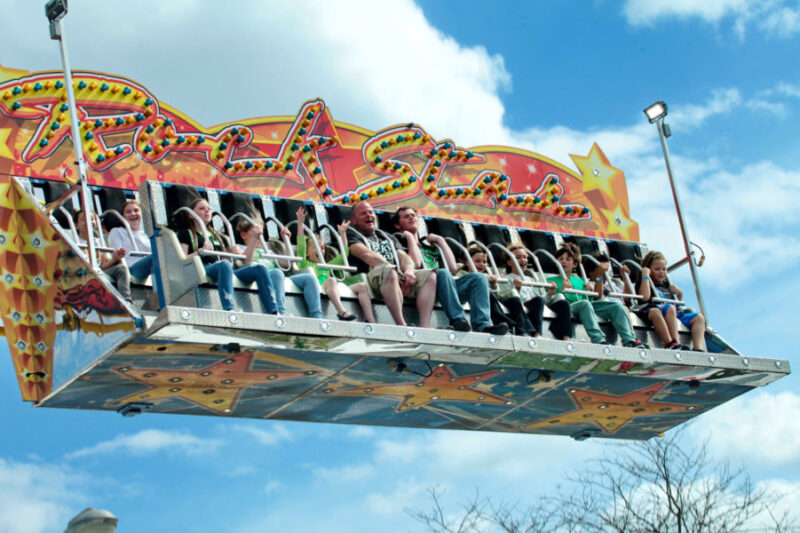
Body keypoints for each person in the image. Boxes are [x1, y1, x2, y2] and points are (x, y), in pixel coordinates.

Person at [391, 206, 508, 335]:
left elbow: (452, 268)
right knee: (442, 272)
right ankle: (458, 320)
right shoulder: (399, 241)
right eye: (406, 216)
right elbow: (416, 264)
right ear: (397, 225)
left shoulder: (429, 245)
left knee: (479, 278)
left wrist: (441, 241)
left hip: (445, 287)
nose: (411, 218)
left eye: (413, 215)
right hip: (423, 287)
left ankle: (483, 325)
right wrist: (410, 238)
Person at [345, 200, 436, 327]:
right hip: (372, 276)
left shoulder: (387, 236)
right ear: (353, 220)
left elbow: (404, 257)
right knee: (389, 271)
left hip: (396, 277)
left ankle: (425, 326)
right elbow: (365, 254)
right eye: (363, 213)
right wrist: (396, 272)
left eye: (371, 212)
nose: (369, 215)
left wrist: (408, 271)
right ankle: (401, 324)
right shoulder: (351, 234)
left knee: (430, 275)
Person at [547, 243, 644, 347]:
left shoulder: (581, 281)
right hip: (569, 307)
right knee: (585, 303)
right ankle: (598, 339)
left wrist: (591, 291)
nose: (564, 262)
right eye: (561, 259)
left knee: (617, 306)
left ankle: (629, 340)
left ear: (575, 264)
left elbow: (595, 298)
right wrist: (562, 290)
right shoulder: (550, 280)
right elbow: (552, 300)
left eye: (568, 259)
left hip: (585, 307)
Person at [232, 218, 324, 318]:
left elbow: (288, 263)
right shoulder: (239, 248)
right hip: (262, 276)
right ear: (243, 235)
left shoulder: (267, 252)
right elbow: (245, 261)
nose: (259, 236)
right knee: (277, 272)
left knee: (309, 278)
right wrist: (253, 240)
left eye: (260, 234)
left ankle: (317, 316)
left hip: (277, 278)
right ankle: (280, 311)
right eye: (256, 233)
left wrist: (286, 240)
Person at [294, 206, 370, 322]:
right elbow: (301, 244)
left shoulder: (327, 265)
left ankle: (370, 320)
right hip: (319, 287)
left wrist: (343, 234)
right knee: (331, 280)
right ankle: (341, 311)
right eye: (316, 247)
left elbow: (344, 255)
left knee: (362, 286)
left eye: (322, 248)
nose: (321, 251)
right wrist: (300, 223)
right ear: (307, 252)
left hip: (332, 288)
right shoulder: (305, 263)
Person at [636, 250, 706, 351]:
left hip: (673, 313)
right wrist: (645, 276)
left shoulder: (667, 285)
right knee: (670, 308)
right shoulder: (644, 283)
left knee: (699, 317)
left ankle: (698, 348)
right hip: (659, 311)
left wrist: (679, 293)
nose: (662, 272)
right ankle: (675, 342)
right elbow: (645, 297)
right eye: (657, 269)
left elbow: (677, 305)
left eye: (664, 269)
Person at [460, 245, 533, 336]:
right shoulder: (462, 274)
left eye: (484, 262)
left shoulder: (487, 276)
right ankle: (507, 325)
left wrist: (493, 285)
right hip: (468, 298)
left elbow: (498, 296)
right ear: (468, 262)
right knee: (488, 295)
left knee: (506, 298)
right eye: (477, 261)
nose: (482, 264)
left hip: (486, 300)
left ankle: (522, 330)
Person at [504, 243, 572, 339]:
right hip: (519, 309)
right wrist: (517, 289)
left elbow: (542, 300)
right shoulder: (505, 279)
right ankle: (536, 334)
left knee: (561, 303)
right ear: (509, 262)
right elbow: (507, 299)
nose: (523, 260)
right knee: (536, 301)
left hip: (532, 307)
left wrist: (550, 293)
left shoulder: (531, 280)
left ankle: (565, 337)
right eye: (518, 257)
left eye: (525, 257)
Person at [582, 251, 647, 348]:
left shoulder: (612, 285)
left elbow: (627, 299)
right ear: (591, 272)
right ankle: (629, 340)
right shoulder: (589, 284)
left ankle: (632, 339)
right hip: (601, 308)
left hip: (618, 310)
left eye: (607, 271)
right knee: (619, 307)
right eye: (602, 271)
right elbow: (597, 297)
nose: (605, 274)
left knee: (623, 307)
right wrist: (599, 277)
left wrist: (625, 278)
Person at [74, 209, 132, 303]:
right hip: (84, 275)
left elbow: (103, 265)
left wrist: (115, 258)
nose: (88, 221)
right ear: (76, 225)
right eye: (84, 219)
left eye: (91, 219)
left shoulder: (98, 242)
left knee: (121, 269)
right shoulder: (74, 243)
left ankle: (126, 300)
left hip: (98, 272)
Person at [107, 199, 153, 280]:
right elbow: (116, 255)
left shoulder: (147, 235)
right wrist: (119, 253)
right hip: (131, 268)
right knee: (156, 257)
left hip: (150, 270)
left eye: (136, 210)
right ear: (123, 216)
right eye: (128, 212)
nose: (133, 213)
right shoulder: (117, 232)